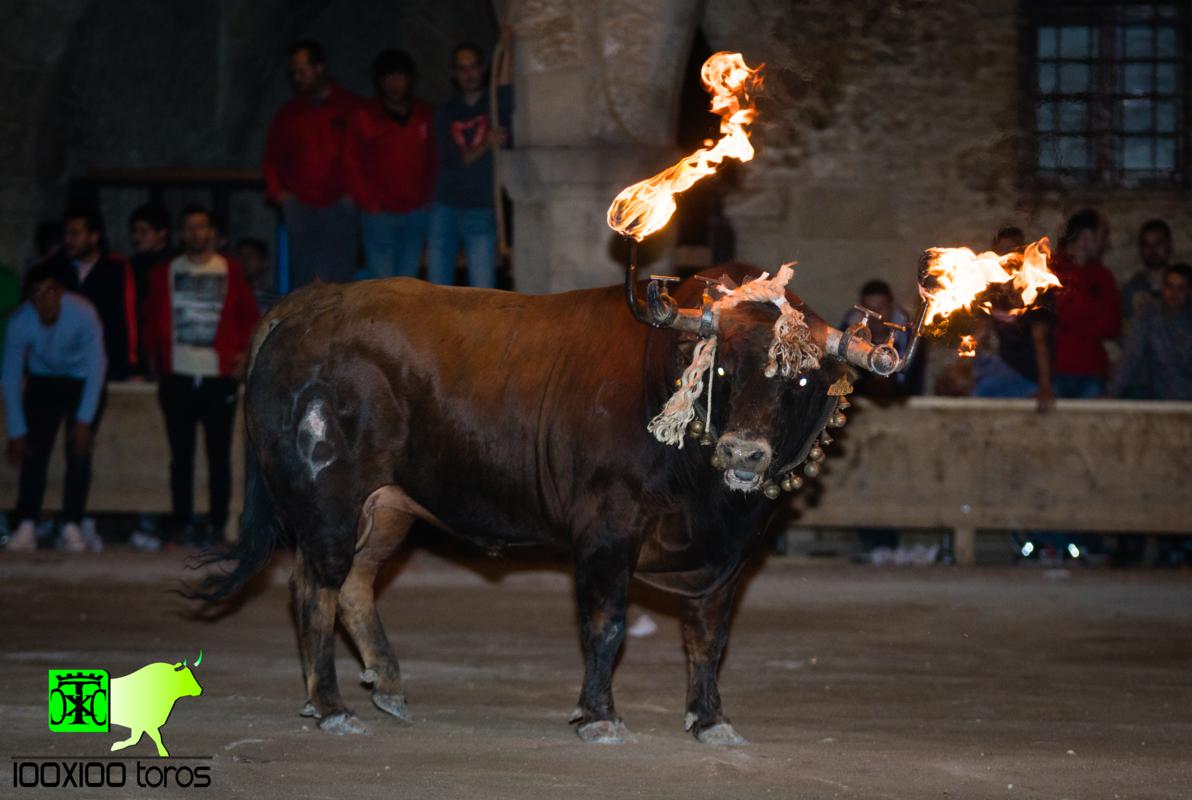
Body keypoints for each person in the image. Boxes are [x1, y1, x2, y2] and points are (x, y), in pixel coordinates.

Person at [143, 205, 259, 546]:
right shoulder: (164, 271)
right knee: (181, 456)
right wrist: (153, 364)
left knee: (218, 455)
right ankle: (180, 522)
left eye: (202, 227)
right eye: (189, 227)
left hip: (217, 376)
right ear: (181, 234)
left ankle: (218, 523)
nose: (196, 233)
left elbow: (249, 317)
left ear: (212, 232)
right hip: (176, 375)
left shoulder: (230, 270)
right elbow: (150, 319)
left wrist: (242, 355)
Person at [2, 262, 106, 551]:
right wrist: (16, 429)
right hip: (43, 381)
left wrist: (84, 420)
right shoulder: (20, 321)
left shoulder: (83, 313)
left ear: (60, 292)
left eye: (50, 291)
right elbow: (10, 375)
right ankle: (26, 523)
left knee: (79, 451)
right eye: (36, 293)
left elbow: (98, 365)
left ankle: (71, 523)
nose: (43, 299)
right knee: (33, 451)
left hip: (81, 380)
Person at [262, 40, 364, 287]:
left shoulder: (352, 107)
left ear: (319, 68)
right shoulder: (289, 113)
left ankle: (338, 327)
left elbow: (368, 156)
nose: (297, 78)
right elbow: (271, 159)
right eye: (293, 73)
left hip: (341, 204)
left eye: (301, 71)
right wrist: (279, 194)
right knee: (304, 278)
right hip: (300, 204)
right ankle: (307, 327)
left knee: (339, 278)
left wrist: (356, 195)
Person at [427, 31, 513, 288]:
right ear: (454, 73)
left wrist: (507, 47)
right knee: (437, 287)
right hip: (445, 207)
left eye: (473, 66)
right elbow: (453, 160)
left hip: (481, 209)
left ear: (482, 68)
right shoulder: (446, 112)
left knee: (481, 288)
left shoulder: (495, 105)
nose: (469, 74)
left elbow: (506, 85)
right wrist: (485, 143)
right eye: (462, 69)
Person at [344, 49, 436, 279]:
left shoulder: (426, 115)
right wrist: (370, 204)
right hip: (379, 215)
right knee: (382, 284)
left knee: (408, 285)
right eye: (388, 78)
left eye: (400, 77)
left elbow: (435, 160)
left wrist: (427, 201)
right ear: (379, 81)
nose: (394, 84)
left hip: (416, 214)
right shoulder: (364, 116)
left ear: (410, 79)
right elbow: (351, 162)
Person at [971, 226, 1056, 411]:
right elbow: (979, 333)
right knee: (957, 384)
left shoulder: (1035, 290)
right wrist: (961, 367)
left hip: (1026, 372)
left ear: (1021, 254)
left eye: (1011, 251)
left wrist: (1045, 387)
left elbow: (1040, 341)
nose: (1005, 257)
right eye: (1001, 251)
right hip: (1003, 366)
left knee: (978, 392)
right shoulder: (994, 290)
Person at [50, 208, 139, 381]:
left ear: (94, 237)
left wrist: (130, 364)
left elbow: (127, 318)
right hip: (63, 363)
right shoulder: (57, 267)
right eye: (66, 234)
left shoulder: (116, 268)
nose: (68, 240)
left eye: (75, 234)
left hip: (104, 361)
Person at [1049, 209, 1121, 398]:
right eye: (1103, 235)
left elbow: (1112, 327)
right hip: (1053, 371)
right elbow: (1046, 319)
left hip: (1092, 372)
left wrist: (1069, 314)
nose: (1107, 243)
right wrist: (1090, 313)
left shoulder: (1103, 277)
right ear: (1087, 236)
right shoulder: (1051, 271)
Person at [1109, 263, 1192, 400]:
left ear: (1190, 291)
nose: (1174, 293)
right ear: (1162, 287)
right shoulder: (1149, 313)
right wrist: (1111, 392)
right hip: (1158, 398)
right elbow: (1131, 355)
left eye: (1181, 288)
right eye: (1169, 286)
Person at [839, 279, 924, 397]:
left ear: (891, 307)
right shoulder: (848, 333)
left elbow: (914, 379)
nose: (875, 314)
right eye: (869, 308)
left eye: (881, 307)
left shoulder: (909, 336)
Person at [1120, 219, 1173, 322]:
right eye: (1146, 244)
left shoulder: (1184, 286)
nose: (1152, 250)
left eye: (1158, 243)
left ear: (1169, 245)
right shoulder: (1131, 289)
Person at [235, 237, 281, 313]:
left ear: (265, 262)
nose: (242, 261)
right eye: (239, 256)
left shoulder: (277, 302)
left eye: (249, 256)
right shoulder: (230, 298)